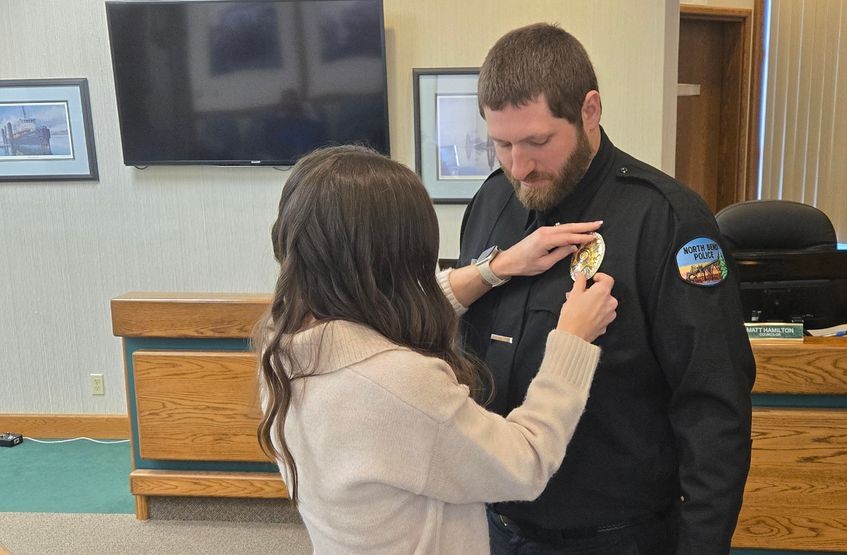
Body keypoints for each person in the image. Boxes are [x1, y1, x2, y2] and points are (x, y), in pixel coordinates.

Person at [455, 23, 757, 554]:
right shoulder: (491, 205)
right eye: (501, 144)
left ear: (589, 111)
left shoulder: (669, 219)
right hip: (495, 530)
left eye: (538, 142)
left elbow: (712, 408)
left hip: (615, 537)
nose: (519, 167)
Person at [256, 145, 618, 554]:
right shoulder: (398, 384)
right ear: (395, 259)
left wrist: (493, 269)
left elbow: (378, 322)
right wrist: (572, 340)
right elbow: (526, 461)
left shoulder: (284, 345)